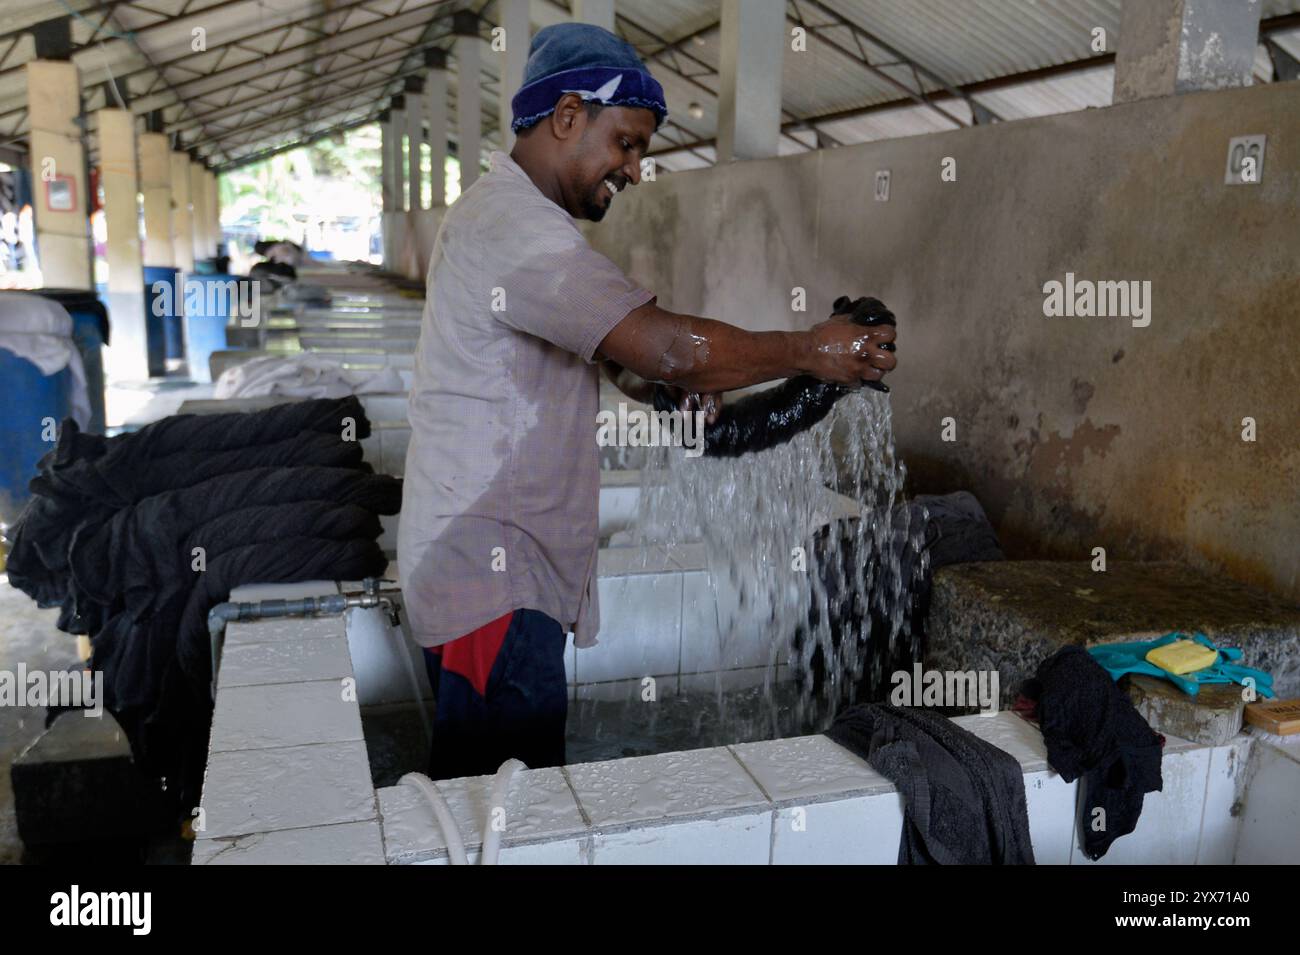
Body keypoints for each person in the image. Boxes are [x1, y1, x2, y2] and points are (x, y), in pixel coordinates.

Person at [398, 22, 897, 780]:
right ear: (568, 116)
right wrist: (812, 349)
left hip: (496, 576)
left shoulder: (519, 227)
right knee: (504, 811)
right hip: (491, 587)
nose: (634, 170)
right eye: (626, 143)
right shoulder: (514, 229)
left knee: (507, 796)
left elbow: (638, 367)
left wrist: (711, 388)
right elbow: (667, 349)